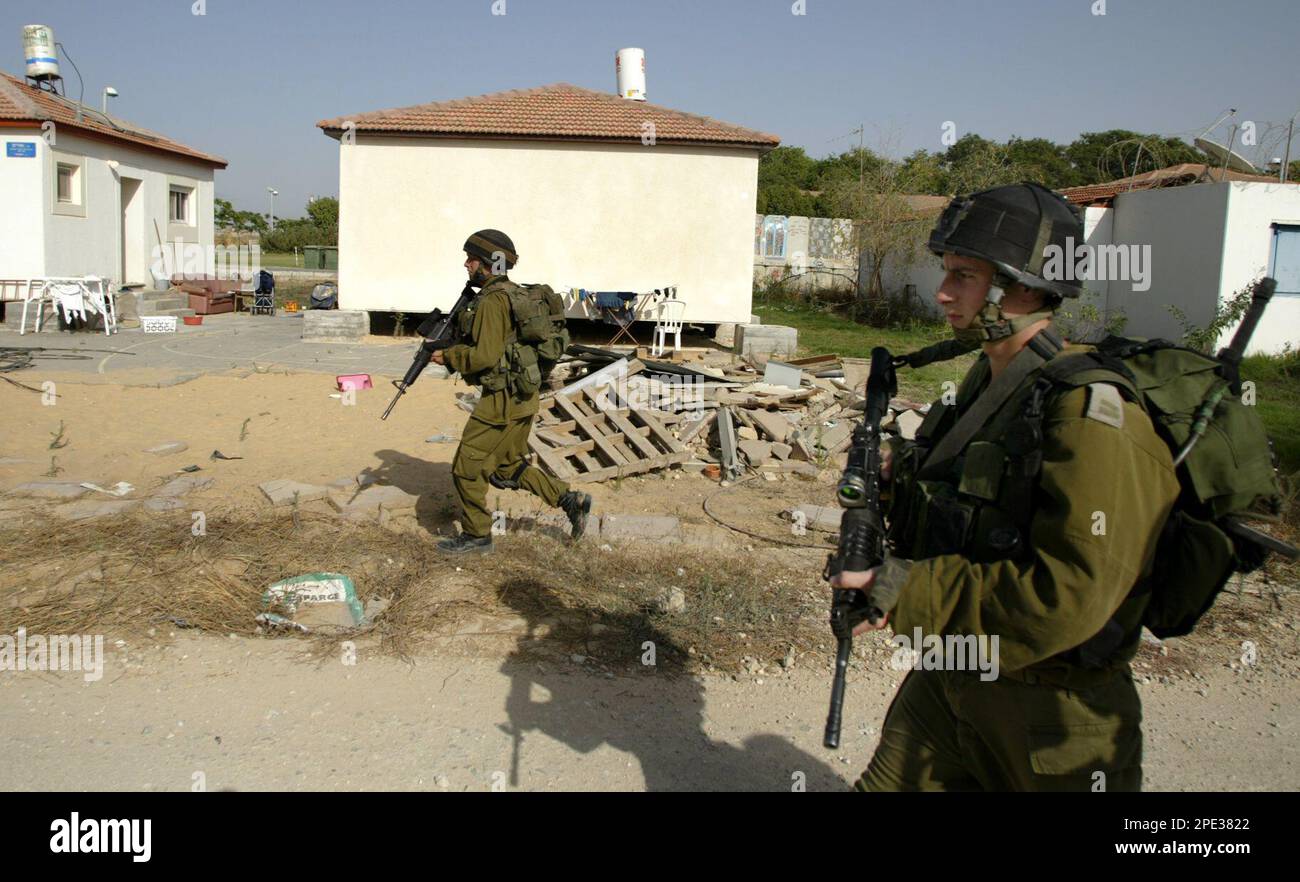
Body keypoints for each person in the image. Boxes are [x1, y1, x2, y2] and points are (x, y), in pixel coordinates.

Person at [832, 183, 1179, 791]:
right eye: (947, 272)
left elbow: (1068, 595)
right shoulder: (992, 380)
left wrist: (902, 589)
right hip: (955, 677)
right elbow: (979, 498)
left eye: (963, 275)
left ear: (1022, 285)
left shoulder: (1089, 413)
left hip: (1052, 714)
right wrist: (898, 472)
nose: (942, 292)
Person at [430, 229, 591, 554]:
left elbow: (484, 357)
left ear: (486, 263)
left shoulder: (492, 301)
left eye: (471, 259)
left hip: (500, 402)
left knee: (465, 469)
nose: (466, 264)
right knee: (506, 469)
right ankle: (569, 499)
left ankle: (477, 536)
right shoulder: (515, 294)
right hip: (523, 397)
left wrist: (447, 356)